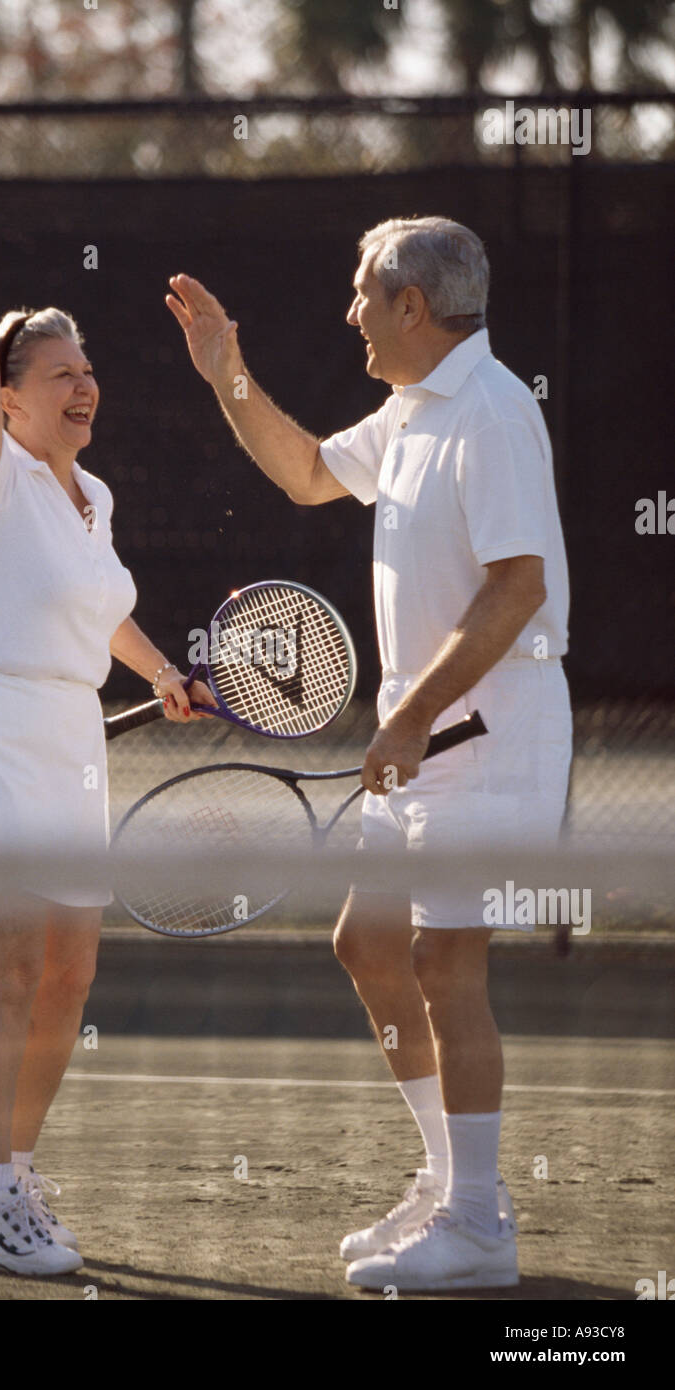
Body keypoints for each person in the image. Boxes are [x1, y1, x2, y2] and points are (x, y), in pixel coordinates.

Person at [166, 215, 571, 1293]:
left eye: (362, 293)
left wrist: (409, 715)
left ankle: (480, 1222)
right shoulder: (410, 413)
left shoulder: (490, 412)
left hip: (489, 735)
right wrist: (227, 373)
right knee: (368, 943)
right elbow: (302, 472)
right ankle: (454, 1187)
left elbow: (517, 587)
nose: (348, 311)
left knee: (446, 960)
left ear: (412, 305)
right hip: (427, 732)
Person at [0, 180, 216, 1277]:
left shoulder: (98, 499)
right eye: (59, 373)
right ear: (11, 396)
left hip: (68, 735)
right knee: (10, 957)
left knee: (71, 968)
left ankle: (13, 1171)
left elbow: (105, 610)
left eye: (89, 370)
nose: (84, 385)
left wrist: (164, 672)